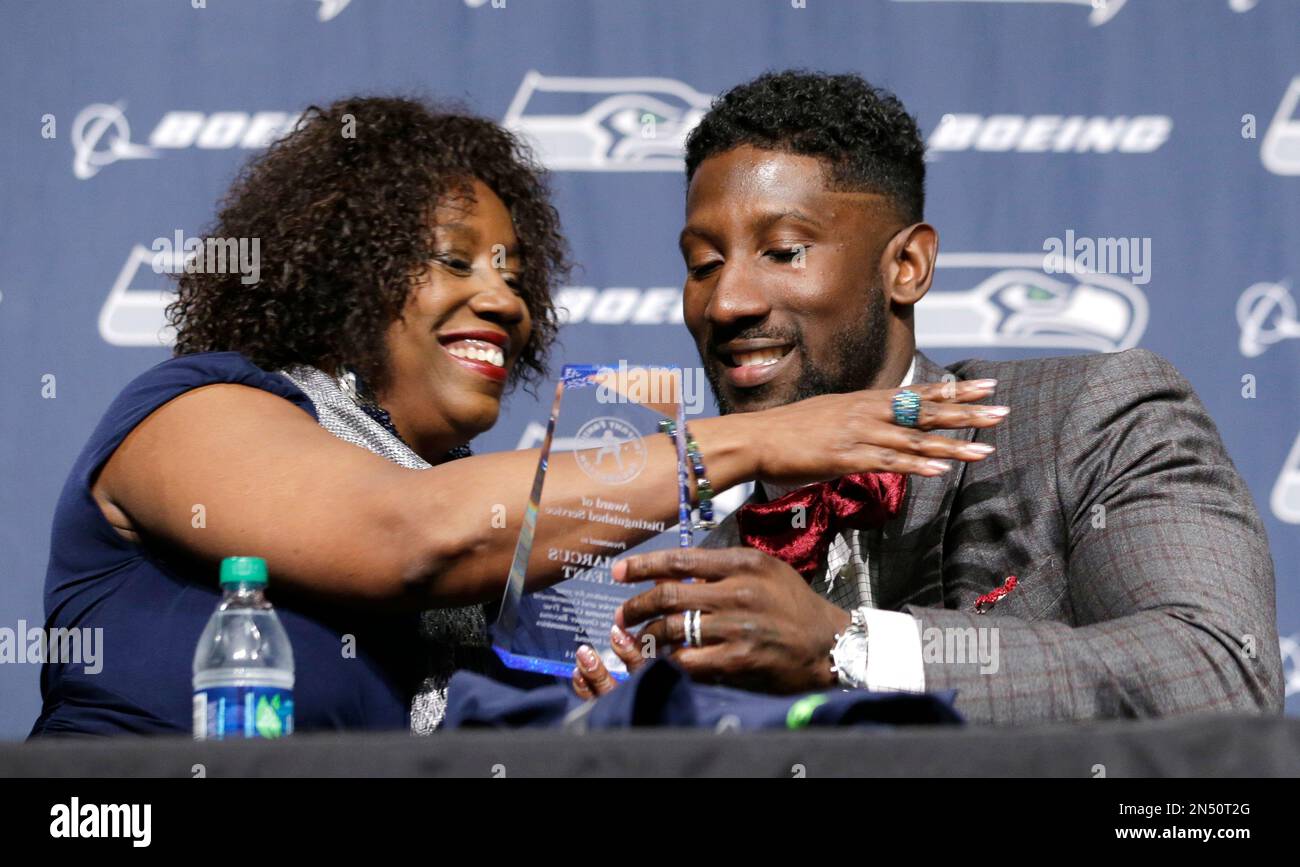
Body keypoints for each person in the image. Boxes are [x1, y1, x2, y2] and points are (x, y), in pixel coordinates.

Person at [30, 95, 1003, 737]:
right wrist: (755, 437)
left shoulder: (515, 562)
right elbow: (408, 534)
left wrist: (598, 715)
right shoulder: (194, 408)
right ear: (343, 270)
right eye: (454, 261)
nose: (503, 301)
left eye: (514, 274)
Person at [575, 70, 1283, 723]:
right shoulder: (723, 569)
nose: (727, 301)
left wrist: (848, 647)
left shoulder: (1085, 419)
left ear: (907, 266)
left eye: (784, 251)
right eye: (703, 264)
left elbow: (1221, 675)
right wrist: (680, 744)